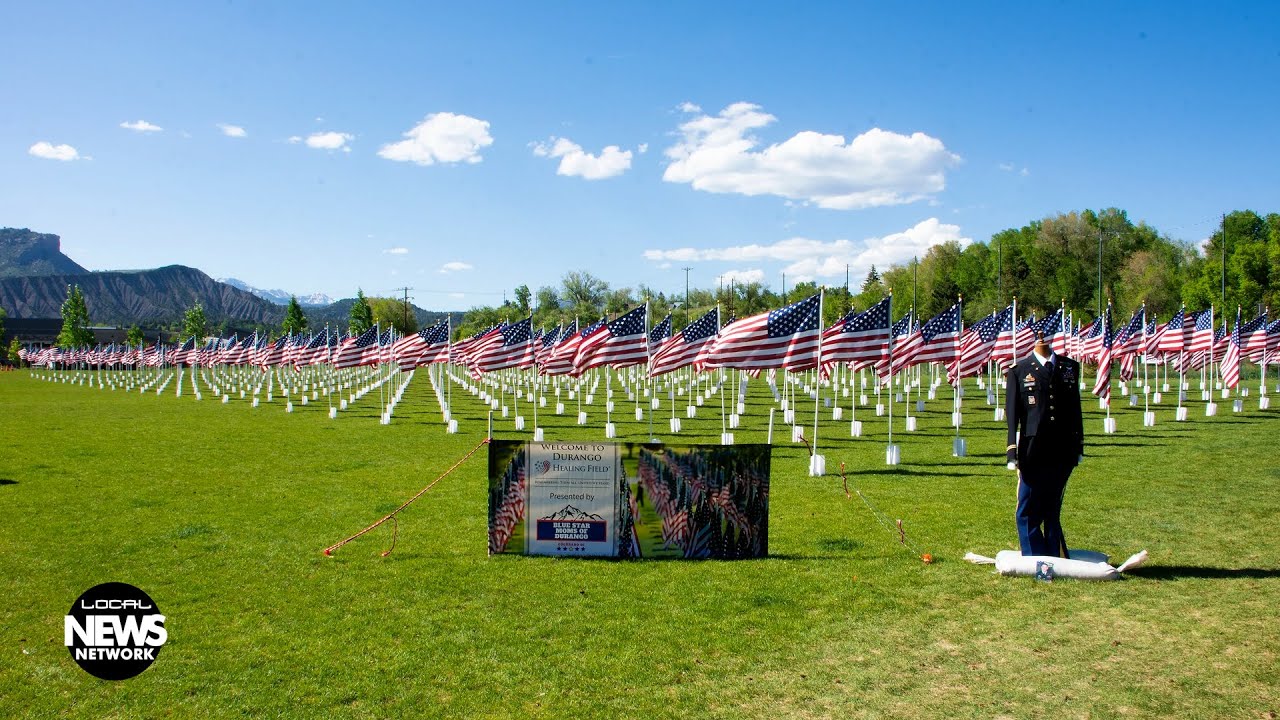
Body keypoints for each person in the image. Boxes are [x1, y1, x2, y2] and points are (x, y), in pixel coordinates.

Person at [1005, 331, 1084, 557]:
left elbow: (1075, 409)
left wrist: (1078, 444)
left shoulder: (1068, 367)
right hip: (1032, 450)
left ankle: (1053, 554)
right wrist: (1012, 449)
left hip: (1062, 447)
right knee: (1027, 508)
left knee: (1052, 507)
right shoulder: (1019, 370)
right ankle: (1033, 556)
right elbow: (1012, 414)